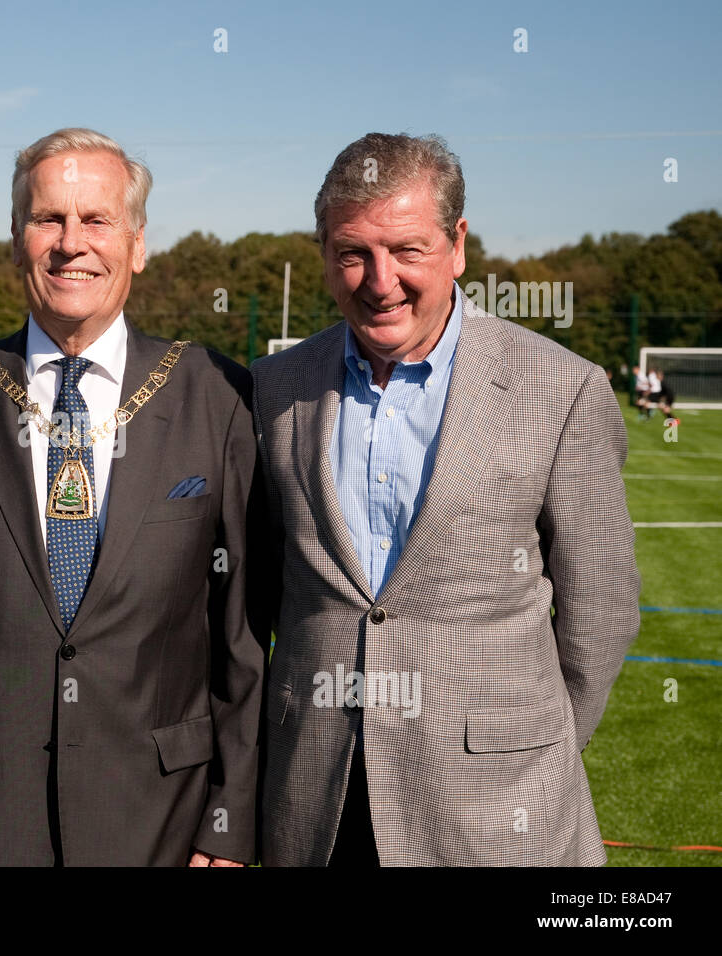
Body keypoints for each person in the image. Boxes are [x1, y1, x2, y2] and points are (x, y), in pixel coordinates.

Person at [0, 128, 266, 866]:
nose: (70, 243)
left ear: (137, 245)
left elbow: (243, 640)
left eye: (97, 220)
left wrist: (231, 820)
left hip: (160, 823)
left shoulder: (219, 396)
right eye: (49, 220)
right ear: (17, 241)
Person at [253, 133, 640, 866]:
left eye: (406, 250)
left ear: (457, 244)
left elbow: (604, 611)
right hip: (316, 806)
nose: (379, 279)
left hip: (497, 809)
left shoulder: (562, 388)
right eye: (352, 252)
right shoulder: (275, 387)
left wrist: (523, 743)